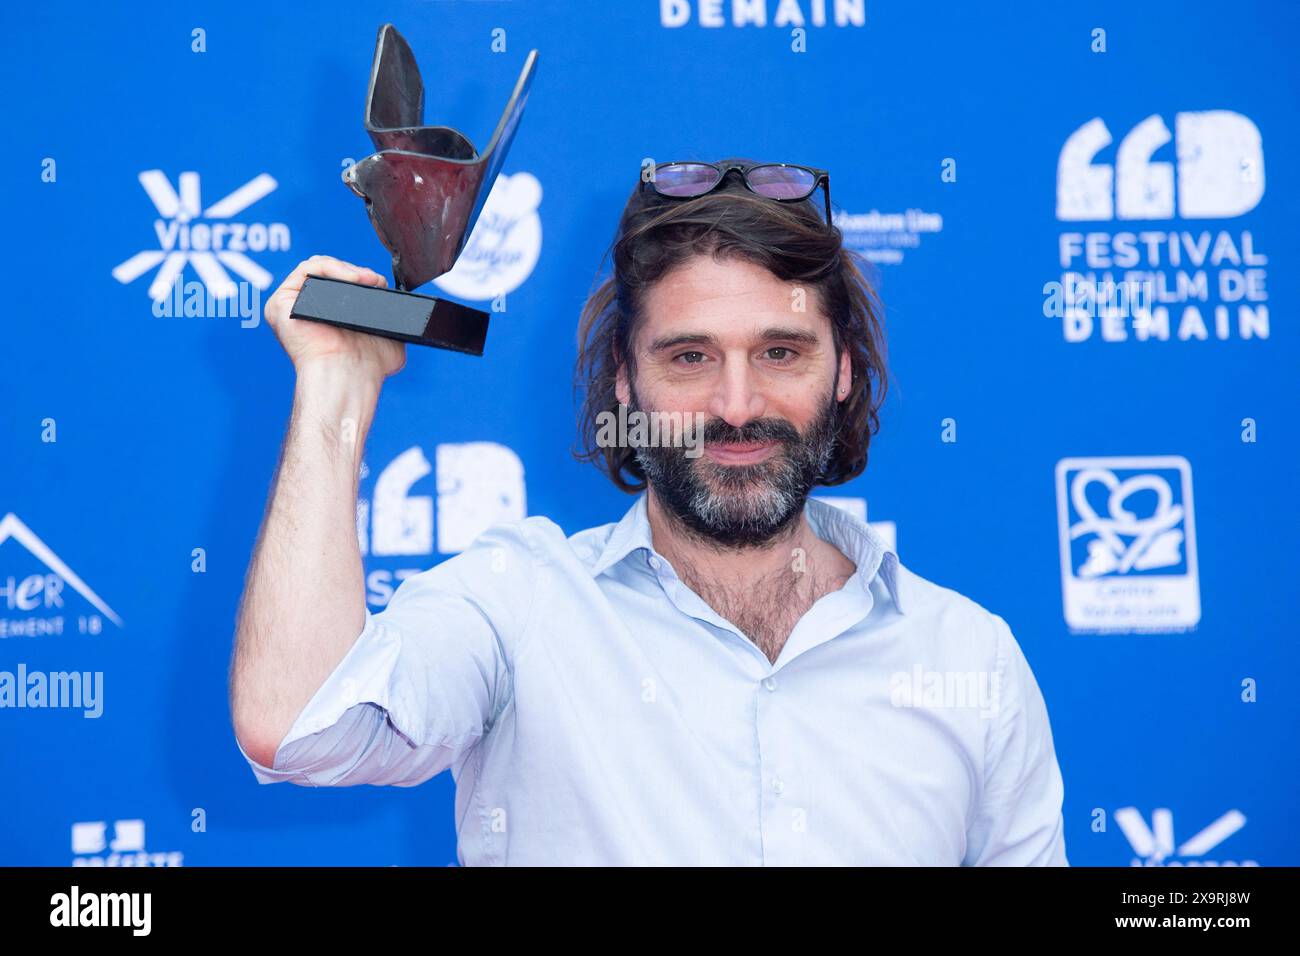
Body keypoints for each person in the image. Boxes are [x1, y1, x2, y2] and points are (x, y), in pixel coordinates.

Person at [229, 159, 1068, 865]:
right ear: (625, 383)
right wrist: (334, 386)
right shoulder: (520, 606)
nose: (737, 405)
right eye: (690, 357)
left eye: (781, 352)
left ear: (842, 372)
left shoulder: (969, 658)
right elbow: (297, 722)